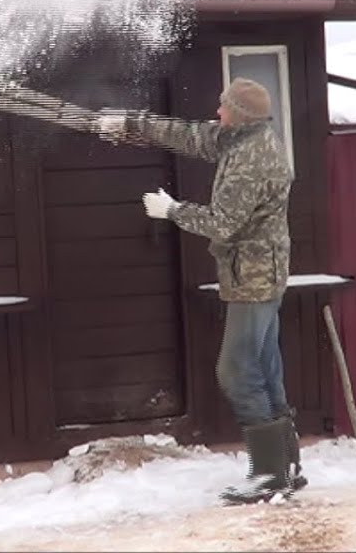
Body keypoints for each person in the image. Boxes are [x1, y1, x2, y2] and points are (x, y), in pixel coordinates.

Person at [97, 77, 305, 502]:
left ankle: (268, 473)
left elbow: (223, 223)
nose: (217, 110)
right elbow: (191, 136)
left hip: (253, 278)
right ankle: (285, 464)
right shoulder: (242, 137)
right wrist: (133, 122)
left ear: (239, 115)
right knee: (264, 367)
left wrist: (173, 210)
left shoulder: (252, 158)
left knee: (236, 371)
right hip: (258, 273)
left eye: (223, 105)